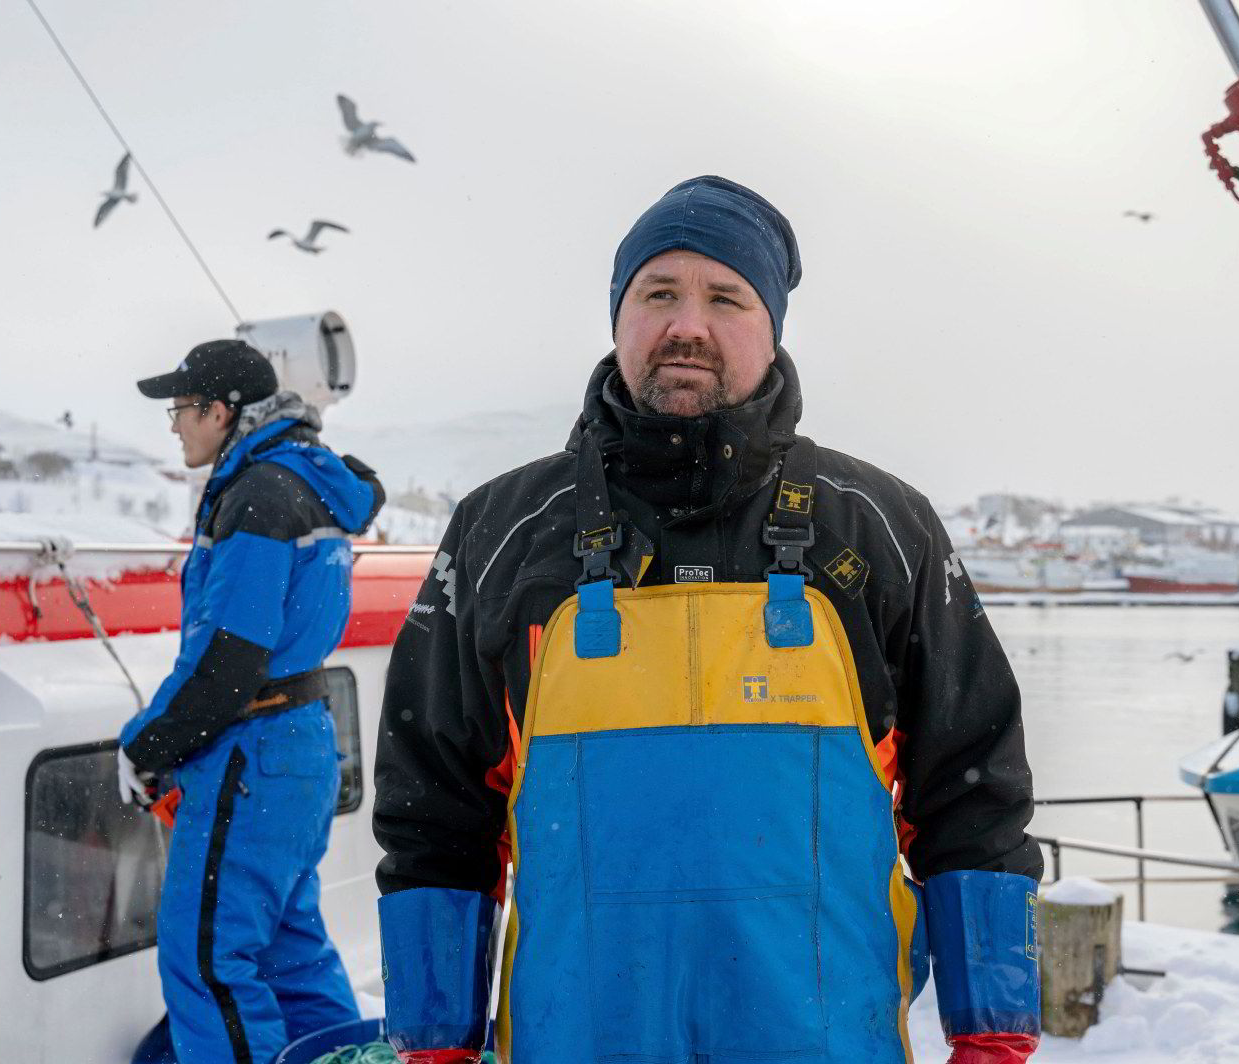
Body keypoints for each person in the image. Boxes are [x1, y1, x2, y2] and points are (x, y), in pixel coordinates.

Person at [374, 176, 1043, 1064]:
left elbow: (971, 789)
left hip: (823, 1041)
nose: (687, 324)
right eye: (659, 293)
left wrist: (992, 1030)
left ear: (771, 328)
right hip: (578, 1040)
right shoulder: (503, 530)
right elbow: (433, 810)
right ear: (619, 317)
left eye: (725, 297)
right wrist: (435, 1040)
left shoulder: (878, 524)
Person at [117, 339, 384, 1064]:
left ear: (219, 411)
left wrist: (146, 745)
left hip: (251, 755)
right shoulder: (306, 482)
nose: (174, 425)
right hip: (299, 746)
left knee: (209, 960)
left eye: (180, 410)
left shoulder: (258, 496)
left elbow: (229, 660)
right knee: (291, 953)